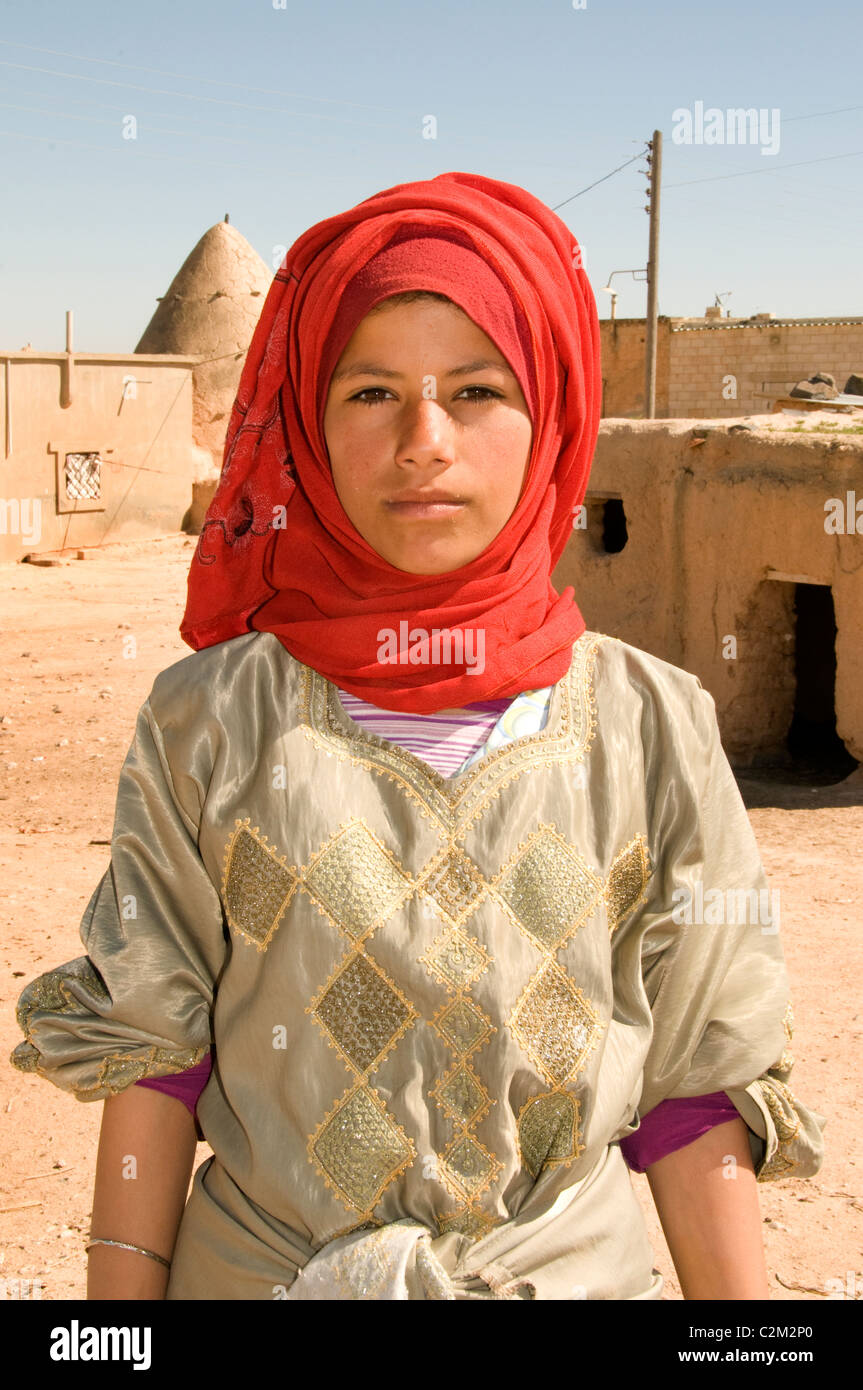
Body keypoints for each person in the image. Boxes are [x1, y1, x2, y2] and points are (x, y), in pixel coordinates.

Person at [10, 171, 824, 1301]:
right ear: (305, 416)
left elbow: (694, 1091)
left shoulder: (650, 726)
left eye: (478, 390)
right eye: (370, 392)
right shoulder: (209, 720)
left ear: (551, 416)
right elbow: (154, 1060)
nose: (422, 441)